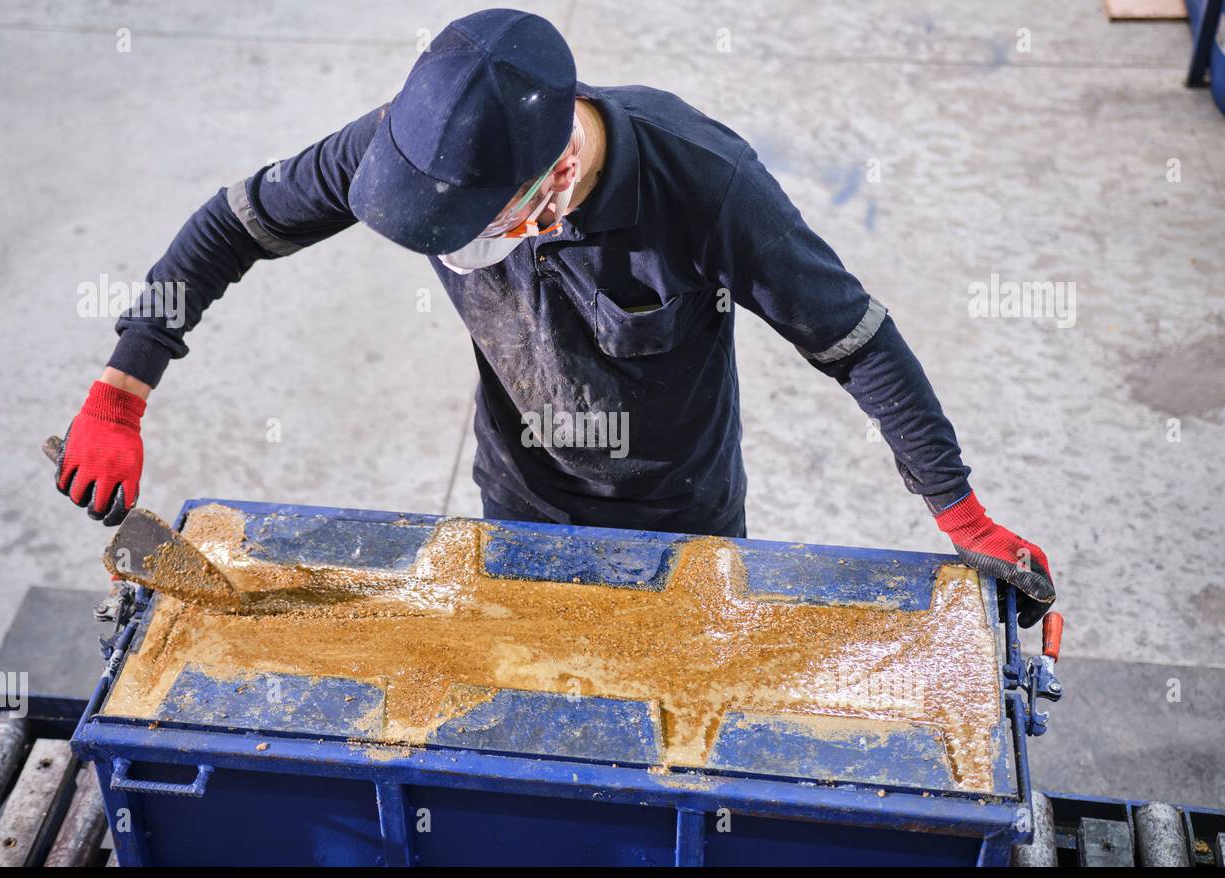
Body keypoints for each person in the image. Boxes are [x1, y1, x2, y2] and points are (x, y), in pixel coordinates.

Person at [53, 8, 1055, 626]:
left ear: (558, 176)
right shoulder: (408, 151)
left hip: (683, 522)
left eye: (480, 231)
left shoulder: (705, 182)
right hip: (519, 501)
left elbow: (857, 343)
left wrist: (958, 512)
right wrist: (120, 389)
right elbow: (231, 228)